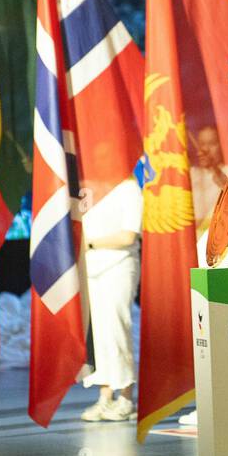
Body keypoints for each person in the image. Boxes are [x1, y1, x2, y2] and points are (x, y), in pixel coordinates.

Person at [80, 177, 142, 422]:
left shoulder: (128, 188)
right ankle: (105, 397)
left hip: (119, 265)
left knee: (117, 328)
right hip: (90, 267)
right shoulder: (89, 187)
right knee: (99, 333)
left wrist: (92, 243)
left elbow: (129, 236)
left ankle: (127, 397)